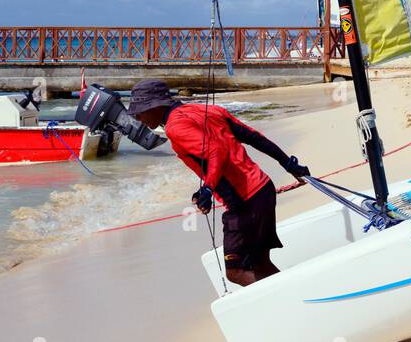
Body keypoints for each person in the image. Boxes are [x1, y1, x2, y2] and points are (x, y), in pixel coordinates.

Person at [126, 79, 309, 285]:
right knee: (260, 263)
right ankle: (296, 296)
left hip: (245, 202)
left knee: (236, 272)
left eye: (140, 111)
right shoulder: (207, 110)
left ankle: (293, 300)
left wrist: (207, 189)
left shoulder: (174, 127)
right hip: (262, 191)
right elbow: (253, 137)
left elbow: (216, 151)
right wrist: (288, 163)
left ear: (155, 105)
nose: (138, 117)